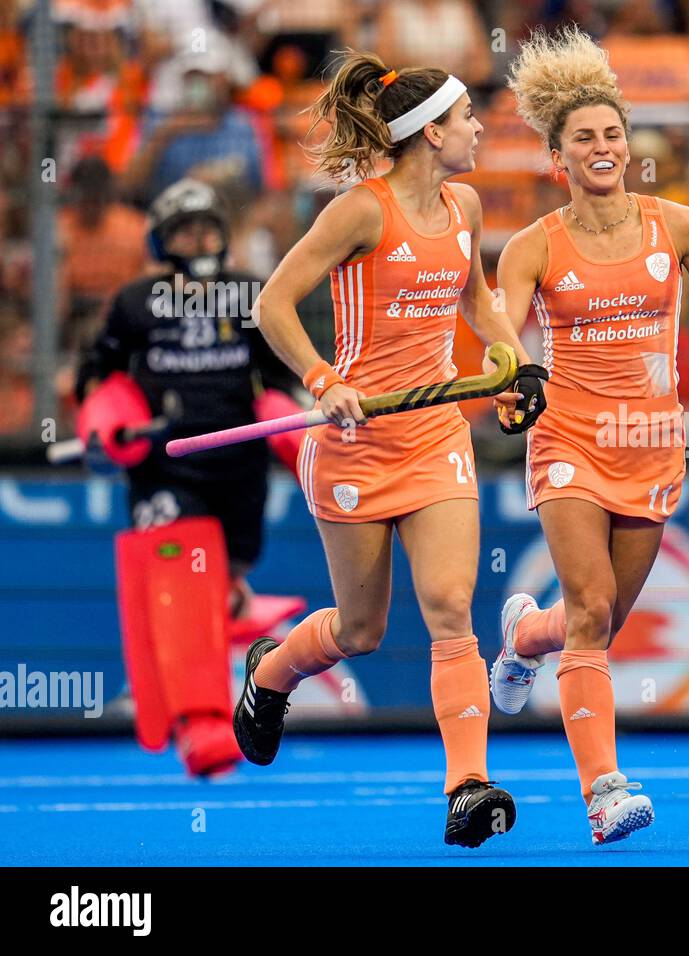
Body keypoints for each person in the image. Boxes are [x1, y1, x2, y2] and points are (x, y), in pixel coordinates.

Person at [234, 52, 546, 849]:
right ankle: (272, 672)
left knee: (450, 610)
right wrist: (321, 379)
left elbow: (475, 298)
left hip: (436, 435)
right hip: (354, 444)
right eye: (468, 116)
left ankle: (467, 787)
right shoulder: (359, 213)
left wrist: (514, 367)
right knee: (361, 632)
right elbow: (273, 304)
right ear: (431, 132)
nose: (480, 127)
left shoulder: (466, 204)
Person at [487, 26, 689, 844]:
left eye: (613, 135)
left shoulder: (676, 224)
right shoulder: (536, 244)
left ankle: (519, 637)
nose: (604, 148)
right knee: (591, 608)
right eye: (586, 139)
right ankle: (604, 790)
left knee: (594, 623)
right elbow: (502, 332)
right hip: (571, 437)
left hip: (651, 442)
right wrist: (516, 379)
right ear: (559, 158)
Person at [75, 177, 299, 776]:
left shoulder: (254, 295)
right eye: (184, 229)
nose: (198, 238)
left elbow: (282, 377)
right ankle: (200, 722)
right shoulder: (134, 301)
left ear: (224, 236)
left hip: (239, 468)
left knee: (218, 580)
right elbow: (96, 374)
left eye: (207, 227)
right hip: (165, 467)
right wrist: (105, 417)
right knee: (182, 571)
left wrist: (295, 432)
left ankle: (233, 619)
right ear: (162, 240)